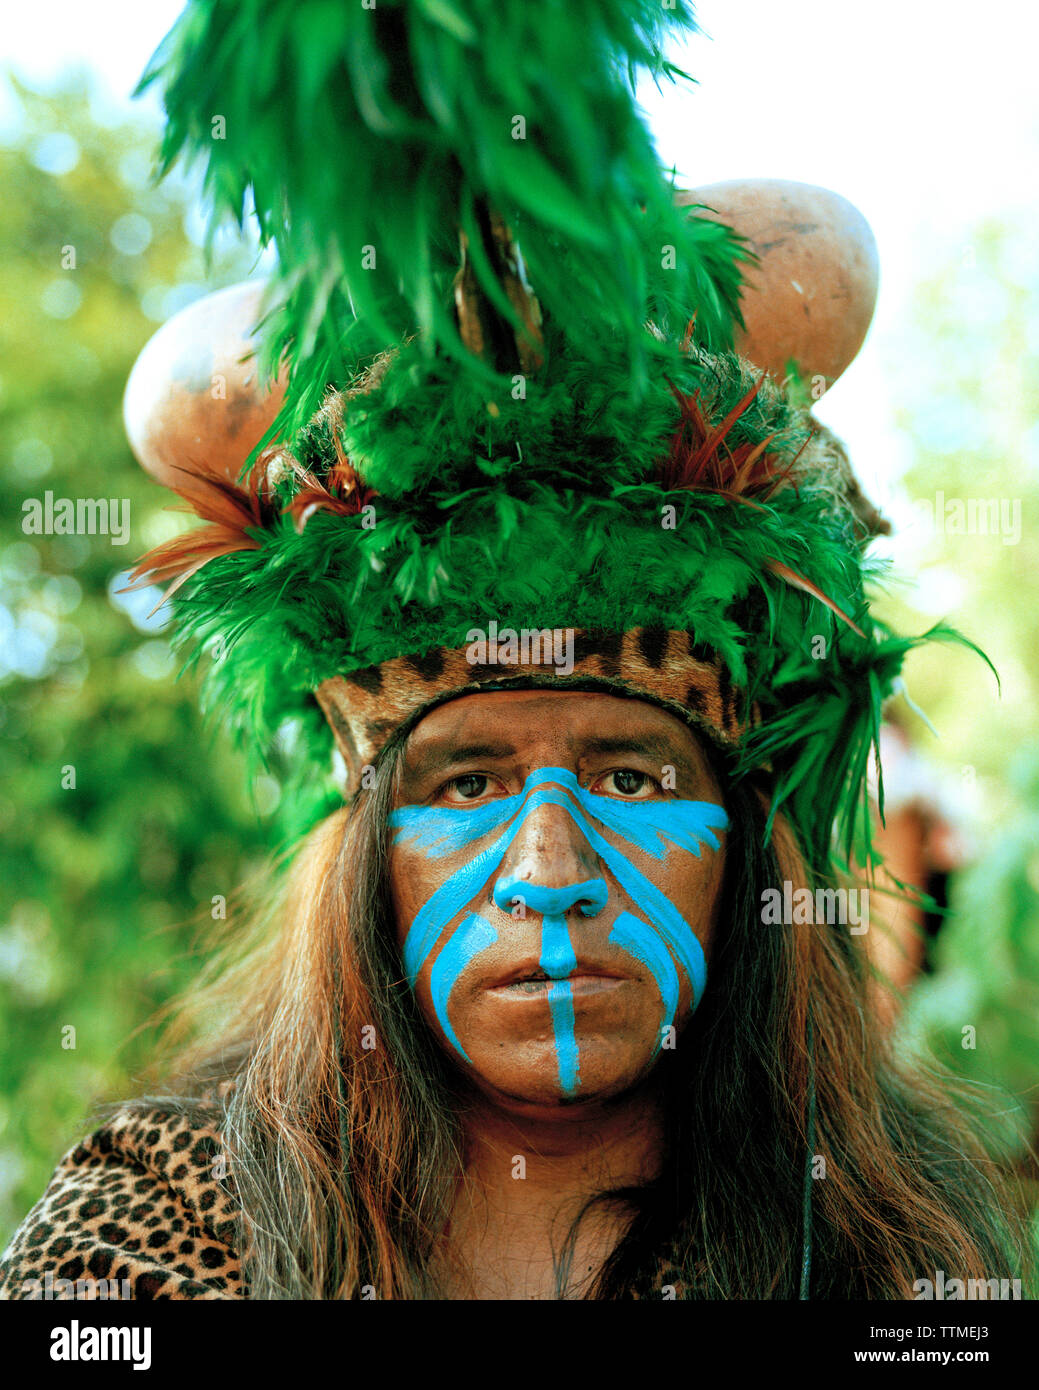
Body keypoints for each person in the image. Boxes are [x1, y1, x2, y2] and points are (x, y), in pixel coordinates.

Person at [1, 0, 1031, 1301]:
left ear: (743, 844)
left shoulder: (890, 1249)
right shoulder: (146, 1234)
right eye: (469, 782)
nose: (550, 876)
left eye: (635, 777)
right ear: (365, 850)